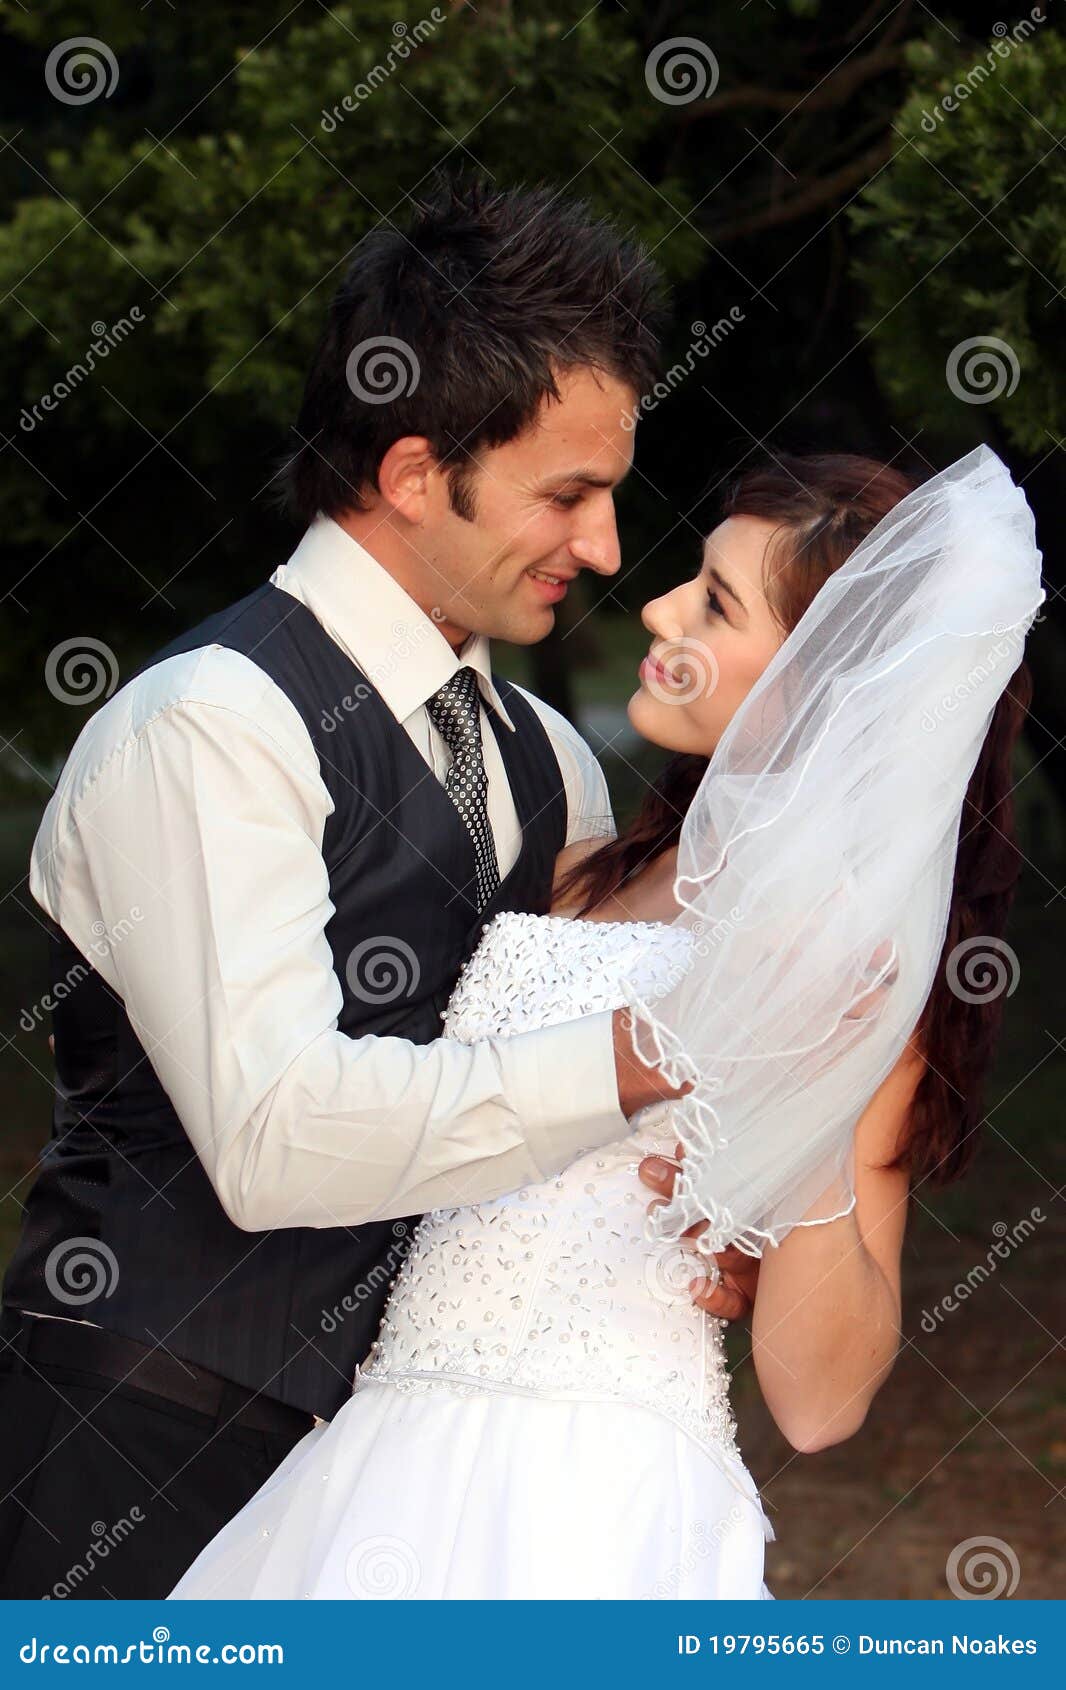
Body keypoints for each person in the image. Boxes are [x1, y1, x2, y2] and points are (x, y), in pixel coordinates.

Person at [168, 448, 1037, 1600]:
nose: (658, 607)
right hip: (387, 1444)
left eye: (716, 604)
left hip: (594, 1496)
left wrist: (804, 1115)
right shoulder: (575, 864)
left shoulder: (851, 972)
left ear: (824, 686)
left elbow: (819, 1405)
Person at [0, 175, 701, 1601]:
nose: (608, 548)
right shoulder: (207, 723)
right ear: (406, 474)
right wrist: (634, 1058)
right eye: (565, 494)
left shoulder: (546, 759)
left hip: (409, 1493)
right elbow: (273, 1140)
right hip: (129, 1458)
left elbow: (537, 1118)